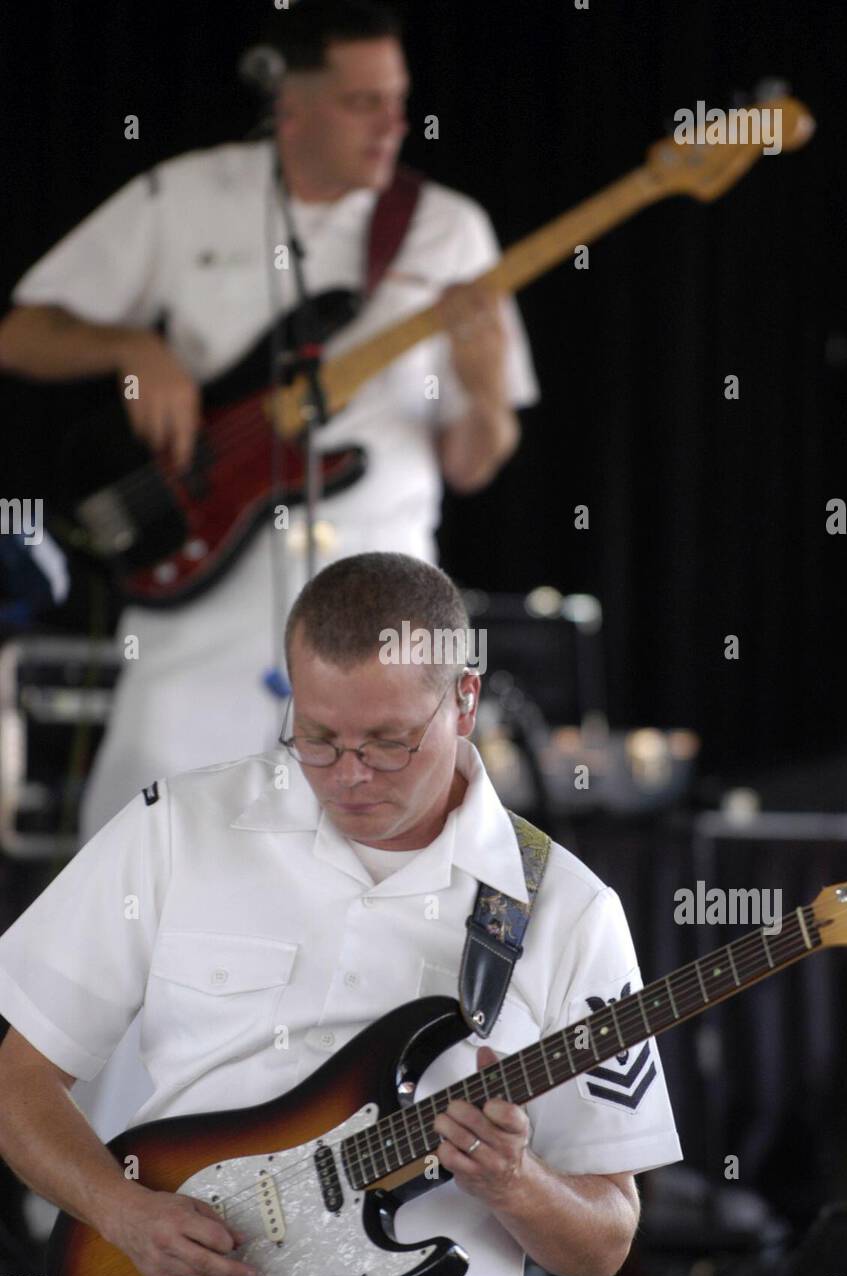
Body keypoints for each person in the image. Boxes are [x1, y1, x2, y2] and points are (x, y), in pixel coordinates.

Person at [0, 553, 682, 1276]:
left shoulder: (568, 908)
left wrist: (516, 1183)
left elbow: (607, 1238)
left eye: (389, 743)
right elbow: (18, 1081)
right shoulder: (180, 827)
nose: (350, 773)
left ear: (465, 701)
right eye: (318, 738)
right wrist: (121, 1211)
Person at [0, 0, 539, 843]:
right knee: (145, 854)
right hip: (203, 592)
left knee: (387, 859)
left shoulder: (449, 230)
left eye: (398, 100)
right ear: (290, 103)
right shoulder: (185, 196)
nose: (393, 124)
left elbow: (475, 462)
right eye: (364, 102)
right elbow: (22, 332)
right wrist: (131, 346)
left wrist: (486, 389)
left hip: (384, 606)